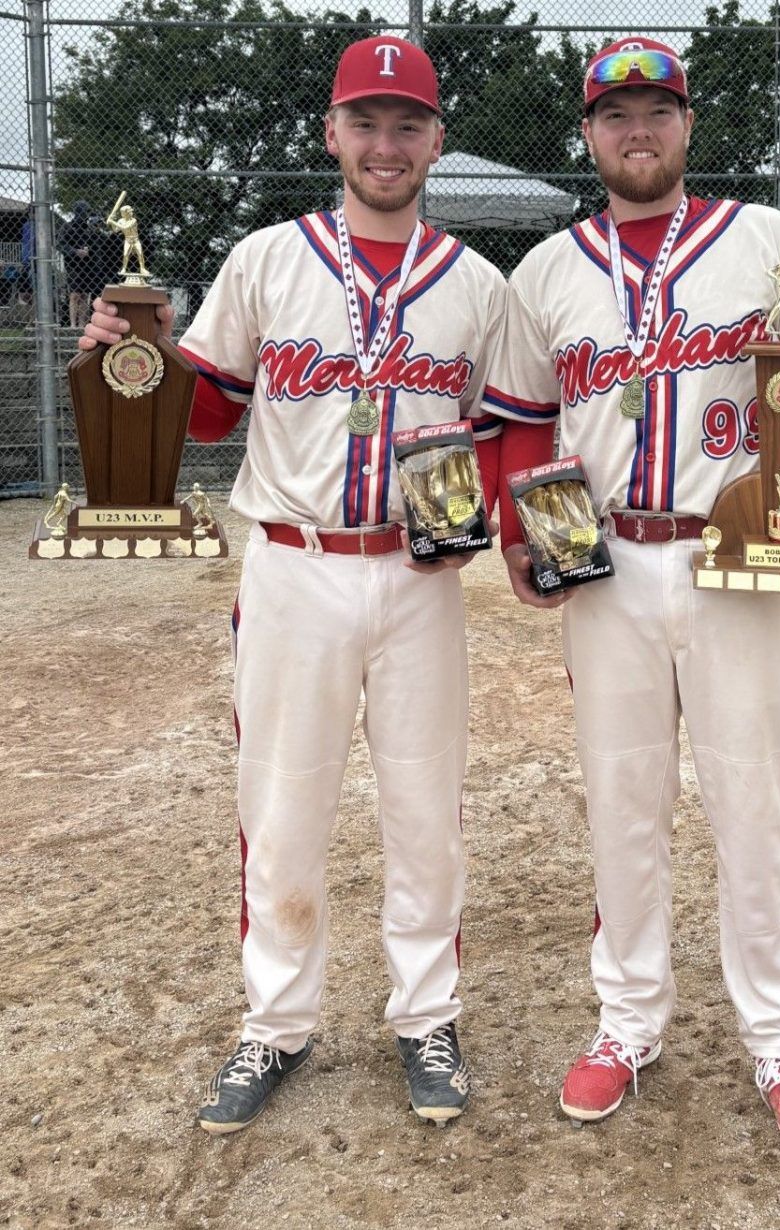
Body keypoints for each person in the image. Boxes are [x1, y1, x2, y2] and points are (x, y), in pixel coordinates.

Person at [484, 36, 780, 1153]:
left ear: (685, 124)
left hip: (738, 564)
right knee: (623, 804)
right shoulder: (550, 270)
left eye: (655, 110)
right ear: (588, 134)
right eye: (614, 113)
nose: (636, 129)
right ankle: (627, 1020)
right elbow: (521, 421)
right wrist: (521, 533)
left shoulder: (767, 242)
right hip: (604, 564)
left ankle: (776, 1035)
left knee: (752, 803)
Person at [80, 36, 506, 1133]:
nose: (385, 143)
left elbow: (507, 433)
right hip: (293, 564)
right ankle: (274, 1024)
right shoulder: (268, 257)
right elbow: (212, 410)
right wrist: (140, 363)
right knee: (280, 807)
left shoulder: (478, 284)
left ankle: (426, 1018)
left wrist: (486, 519)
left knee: (425, 812)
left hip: (418, 581)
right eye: (365, 121)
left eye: (407, 124)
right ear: (330, 133)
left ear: (435, 143)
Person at [58, 200, 94, 328]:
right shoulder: (67, 227)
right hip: (73, 265)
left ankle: (82, 324)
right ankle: (73, 325)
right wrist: (75, 251)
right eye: (85, 211)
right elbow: (60, 245)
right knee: (74, 295)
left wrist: (89, 250)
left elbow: (95, 245)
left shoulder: (89, 229)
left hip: (87, 265)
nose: (87, 215)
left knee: (84, 295)